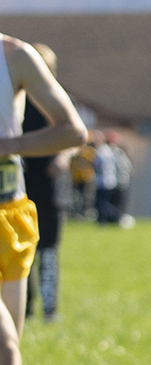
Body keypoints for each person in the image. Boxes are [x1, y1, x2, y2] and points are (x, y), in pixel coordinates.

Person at [0, 33, 88, 365]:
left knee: (10, 352)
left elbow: (73, 131)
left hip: (11, 215)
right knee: (4, 348)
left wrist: (7, 144)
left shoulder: (15, 56)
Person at [21, 45, 72, 324]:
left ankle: (50, 310)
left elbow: (75, 135)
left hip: (52, 187)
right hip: (24, 185)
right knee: (23, 250)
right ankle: (26, 309)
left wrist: (62, 158)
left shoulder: (59, 98)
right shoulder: (19, 99)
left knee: (49, 252)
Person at [92, 131, 131, 224]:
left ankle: (114, 218)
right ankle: (109, 219)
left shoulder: (103, 150)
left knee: (102, 203)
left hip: (105, 181)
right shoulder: (108, 151)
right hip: (111, 181)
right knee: (106, 203)